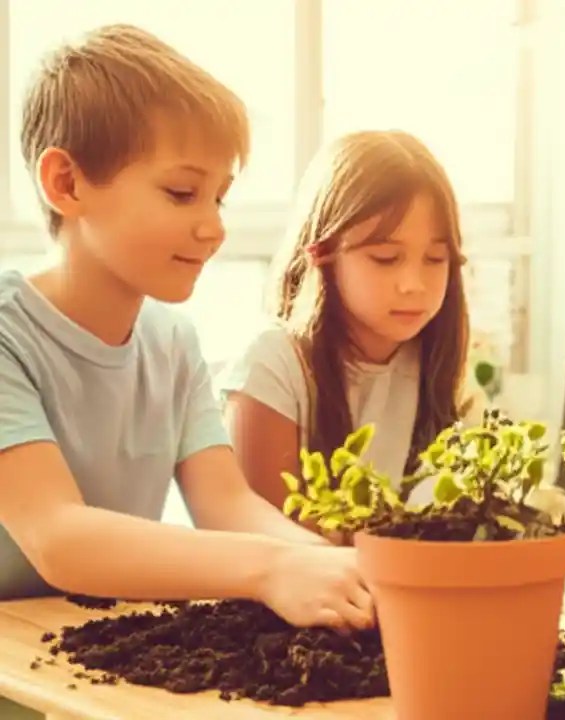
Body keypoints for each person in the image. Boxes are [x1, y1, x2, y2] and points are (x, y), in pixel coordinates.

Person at [0, 26, 373, 628]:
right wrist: (272, 569)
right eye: (181, 193)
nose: (214, 228)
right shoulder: (8, 334)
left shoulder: (172, 340)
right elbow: (58, 537)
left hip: (84, 641)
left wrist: (341, 566)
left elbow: (227, 504)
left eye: (218, 198)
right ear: (66, 183)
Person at [218, 130, 484, 516]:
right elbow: (264, 536)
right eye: (385, 258)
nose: (414, 285)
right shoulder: (272, 368)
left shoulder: (435, 361)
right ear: (320, 255)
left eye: (435, 259)